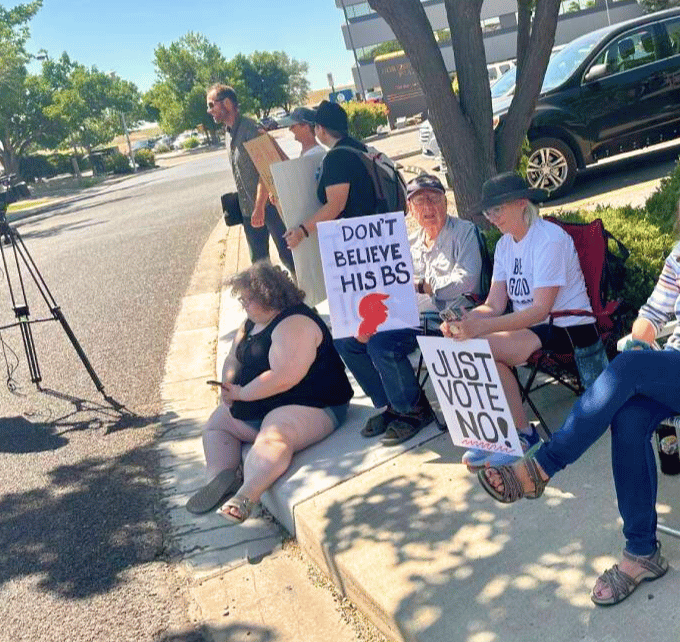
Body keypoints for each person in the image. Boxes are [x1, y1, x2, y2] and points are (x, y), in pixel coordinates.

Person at [474, 163, 680, 607]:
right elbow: (653, 315)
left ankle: (541, 466)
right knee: (627, 412)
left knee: (627, 371)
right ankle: (641, 552)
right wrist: (641, 336)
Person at [441, 172, 596, 470]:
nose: (492, 217)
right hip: (532, 326)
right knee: (468, 344)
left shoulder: (548, 239)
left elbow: (540, 309)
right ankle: (507, 433)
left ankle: (522, 436)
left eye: (497, 209)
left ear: (522, 203)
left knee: (480, 346)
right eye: (488, 211)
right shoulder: (504, 246)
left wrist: (481, 328)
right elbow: (495, 304)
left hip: (569, 325)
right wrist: (466, 319)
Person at [187, 261, 353, 523]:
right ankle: (220, 479)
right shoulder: (251, 322)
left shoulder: (295, 322)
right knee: (217, 424)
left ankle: (246, 495)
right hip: (258, 404)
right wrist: (227, 385)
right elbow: (234, 357)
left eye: (248, 299)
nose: (243, 304)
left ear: (269, 296)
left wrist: (241, 394)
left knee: (275, 433)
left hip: (312, 404)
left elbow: (283, 378)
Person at [335, 174, 485, 445]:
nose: (428, 207)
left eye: (434, 199)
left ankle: (413, 410)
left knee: (382, 343)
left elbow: (468, 280)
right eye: (420, 202)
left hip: (447, 316)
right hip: (406, 315)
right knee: (348, 340)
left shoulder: (464, 232)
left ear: (445, 201)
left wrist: (425, 286)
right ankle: (391, 406)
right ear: (410, 209)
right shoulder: (407, 242)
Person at [207, 84, 295, 272]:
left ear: (227, 103)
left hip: (269, 207)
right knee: (259, 265)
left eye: (211, 105)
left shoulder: (251, 130)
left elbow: (268, 168)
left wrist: (260, 207)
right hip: (249, 210)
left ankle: (303, 297)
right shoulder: (229, 133)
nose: (209, 111)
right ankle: (270, 300)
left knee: (289, 257)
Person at [285, 100, 377, 250]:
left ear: (320, 129)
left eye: (315, 127)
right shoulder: (358, 147)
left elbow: (336, 205)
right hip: (376, 231)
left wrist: (302, 231)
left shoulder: (336, 158)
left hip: (360, 239)